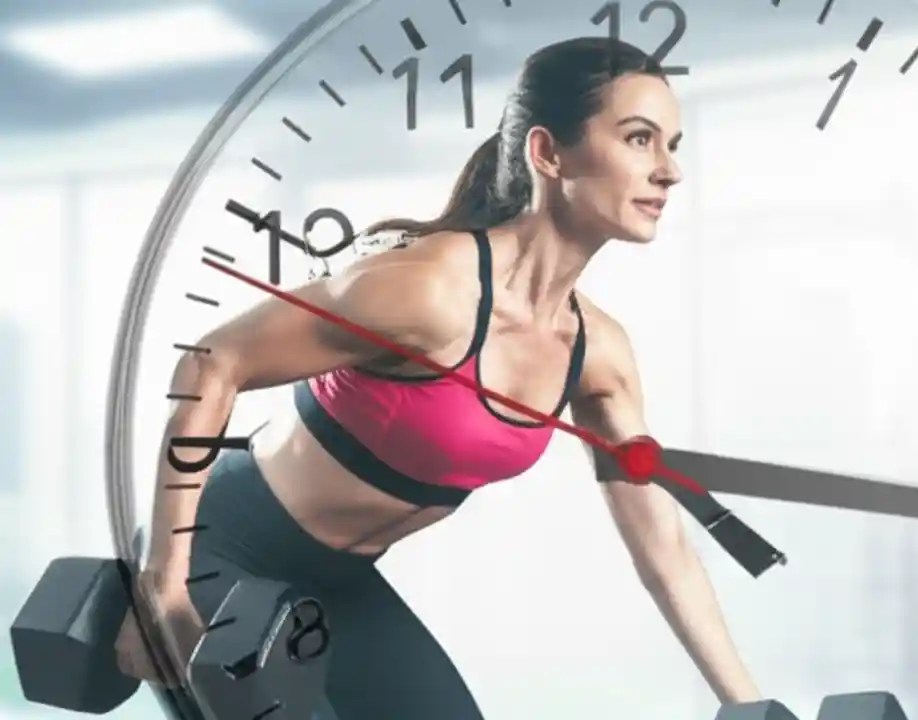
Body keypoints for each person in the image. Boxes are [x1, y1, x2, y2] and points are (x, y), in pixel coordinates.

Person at [113, 36, 763, 718]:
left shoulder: (597, 352)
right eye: (639, 139)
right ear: (548, 153)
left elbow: (665, 549)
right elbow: (213, 362)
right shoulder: (429, 290)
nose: (669, 171)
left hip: (339, 584)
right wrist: (163, 587)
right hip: (219, 548)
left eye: (672, 145)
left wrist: (749, 706)